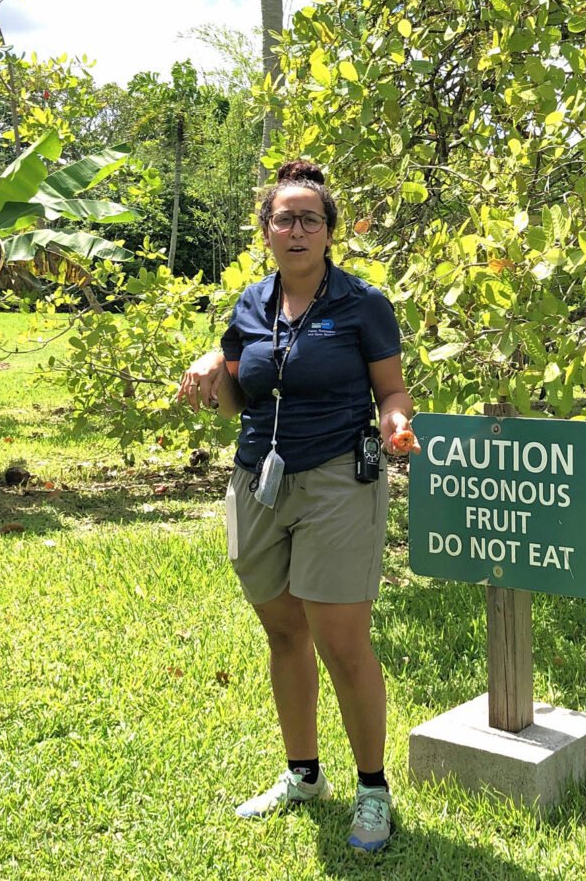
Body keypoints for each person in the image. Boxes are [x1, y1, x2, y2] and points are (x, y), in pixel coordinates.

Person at [176, 160, 418, 853]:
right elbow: (237, 396)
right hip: (259, 481)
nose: (297, 228)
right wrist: (208, 368)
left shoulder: (361, 303)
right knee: (284, 633)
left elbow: (391, 391)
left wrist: (399, 424)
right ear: (267, 231)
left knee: (343, 643)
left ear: (330, 232)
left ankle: (372, 788)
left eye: (311, 217)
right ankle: (303, 774)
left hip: (339, 479)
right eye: (284, 218)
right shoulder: (249, 304)